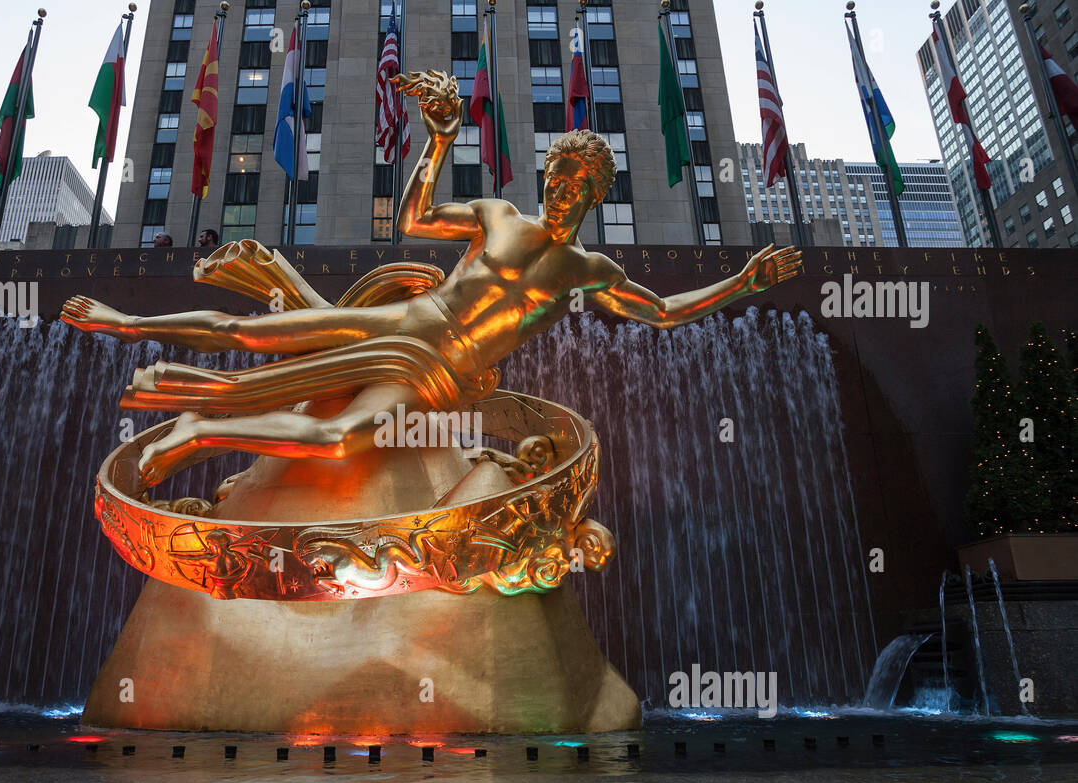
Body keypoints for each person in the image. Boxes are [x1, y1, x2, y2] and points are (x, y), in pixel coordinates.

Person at [62, 70, 802, 486]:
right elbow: (413, 217)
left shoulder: (589, 269)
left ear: (596, 193)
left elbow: (665, 313)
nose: (560, 188)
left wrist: (744, 281)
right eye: (557, 173)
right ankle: (125, 326)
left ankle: (199, 433)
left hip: (441, 376)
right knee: (250, 333)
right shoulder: (498, 213)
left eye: (576, 181)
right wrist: (441, 138)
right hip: (409, 324)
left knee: (336, 442)